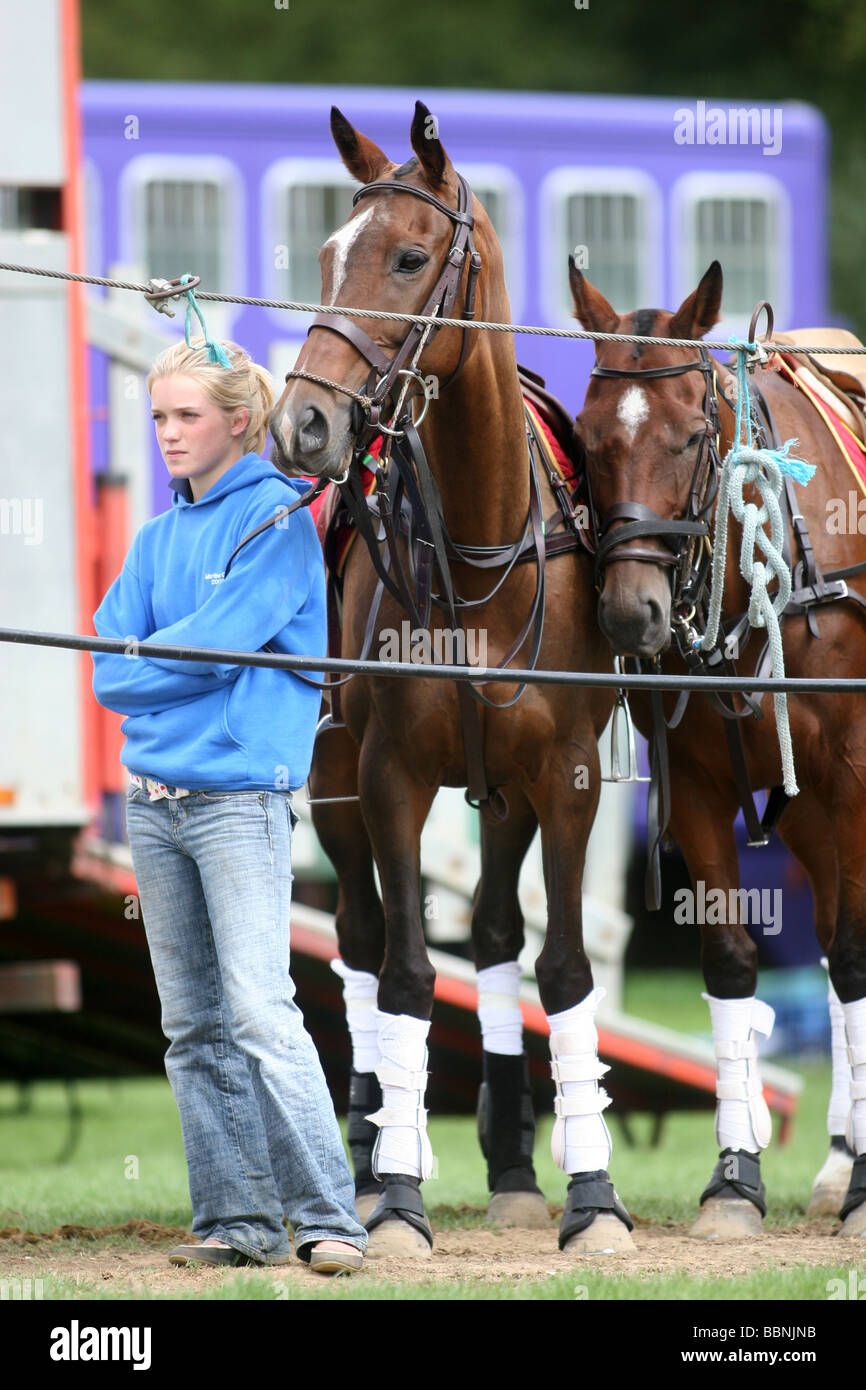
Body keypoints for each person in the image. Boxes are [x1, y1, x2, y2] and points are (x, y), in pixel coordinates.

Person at [91, 333, 366, 1276]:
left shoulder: (281, 521)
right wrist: (175, 664)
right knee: (190, 1026)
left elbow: (219, 648)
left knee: (257, 1009)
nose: (167, 433)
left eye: (186, 416)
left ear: (240, 422)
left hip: (237, 804)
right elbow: (104, 668)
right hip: (153, 805)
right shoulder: (156, 537)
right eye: (159, 416)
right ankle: (237, 1224)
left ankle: (329, 1217)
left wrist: (159, 661)